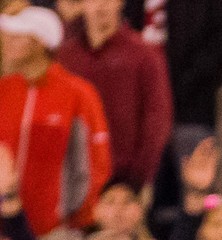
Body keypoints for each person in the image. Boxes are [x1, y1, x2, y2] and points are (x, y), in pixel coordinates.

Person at [0, 5, 111, 236]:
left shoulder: (78, 94)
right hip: (4, 229)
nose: (7, 42)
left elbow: (96, 162)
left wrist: (75, 219)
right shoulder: (4, 91)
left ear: (40, 42)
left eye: (17, 37)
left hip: (57, 233)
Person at [56, 0, 172, 193]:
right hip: (70, 181)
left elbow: (156, 121)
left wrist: (138, 179)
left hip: (123, 183)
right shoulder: (66, 56)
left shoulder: (144, 55)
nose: (101, 5)